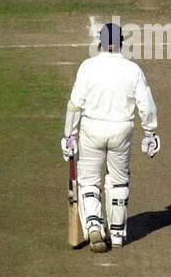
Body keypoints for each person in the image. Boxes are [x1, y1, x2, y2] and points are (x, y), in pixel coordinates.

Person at [62, 23, 160, 252]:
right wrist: (150, 132)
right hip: (121, 130)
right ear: (121, 44)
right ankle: (117, 234)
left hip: (92, 129)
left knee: (89, 181)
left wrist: (69, 135)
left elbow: (75, 104)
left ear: (101, 43)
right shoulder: (132, 69)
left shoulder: (87, 66)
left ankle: (94, 225)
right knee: (119, 180)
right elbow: (146, 105)